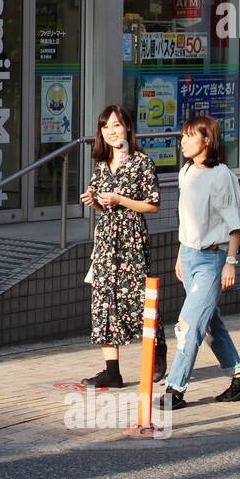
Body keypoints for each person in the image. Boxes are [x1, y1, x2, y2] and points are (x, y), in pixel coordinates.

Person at [158, 115, 240, 409]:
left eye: (189, 135)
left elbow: (234, 224)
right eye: (183, 136)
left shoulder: (222, 175)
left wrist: (231, 262)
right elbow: (185, 217)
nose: (182, 141)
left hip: (213, 258)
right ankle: (239, 378)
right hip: (189, 254)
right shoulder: (186, 171)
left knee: (189, 325)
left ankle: (175, 387)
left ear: (207, 140)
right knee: (209, 322)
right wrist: (180, 253)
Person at [78, 104, 162, 389]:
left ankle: (156, 349)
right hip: (106, 239)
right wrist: (94, 201)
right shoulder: (101, 165)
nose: (112, 131)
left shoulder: (141, 162)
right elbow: (104, 203)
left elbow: (152, 205)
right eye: (106, 127)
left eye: (116, 125)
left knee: (138, 297)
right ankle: (111, 371)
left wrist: (120, 199)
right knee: (103, 300)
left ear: (127, 127)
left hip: (132, 239)